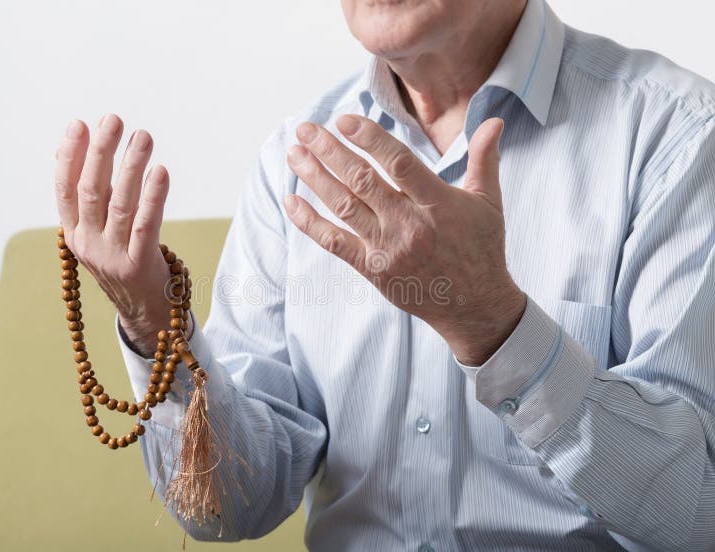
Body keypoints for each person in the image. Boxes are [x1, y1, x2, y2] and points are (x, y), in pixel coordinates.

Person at [53, 0, 715, 549]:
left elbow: (695, 510)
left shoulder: (678, 138)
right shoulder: (295, 163)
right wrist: (153, 326)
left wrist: (494, 325)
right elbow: (227, 510)